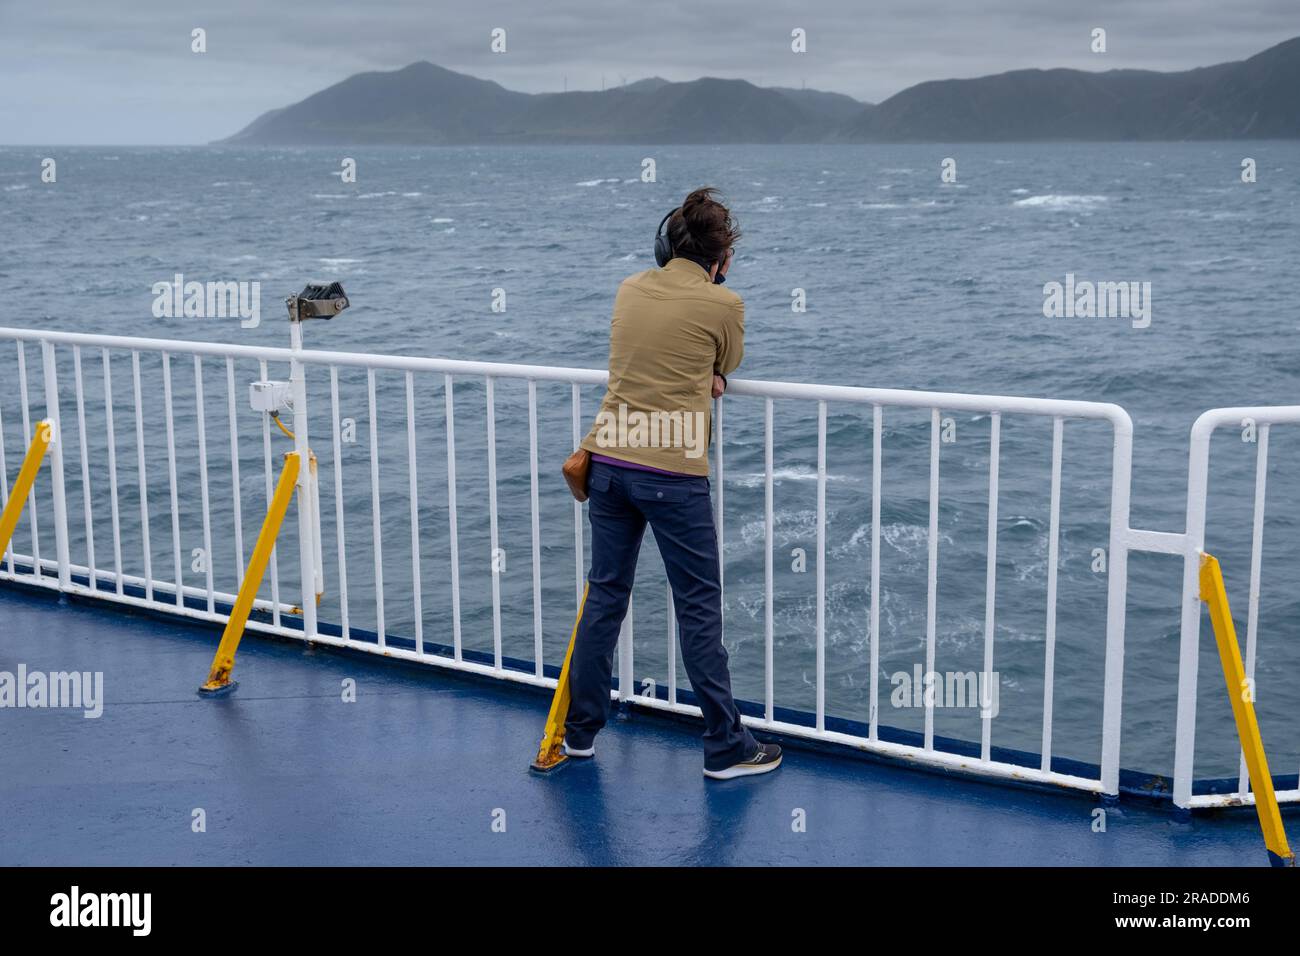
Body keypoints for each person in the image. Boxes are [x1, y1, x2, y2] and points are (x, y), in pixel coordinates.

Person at [563, 187, 782, 780]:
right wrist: (706, 374)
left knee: (606, 596)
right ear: (722, 259)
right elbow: (727, 364)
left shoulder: (630, 287)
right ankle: (724, 747)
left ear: (664, 246)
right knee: (698, 609)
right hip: (672, 473)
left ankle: (577, 735)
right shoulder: (724, 303)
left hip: (607, 461)